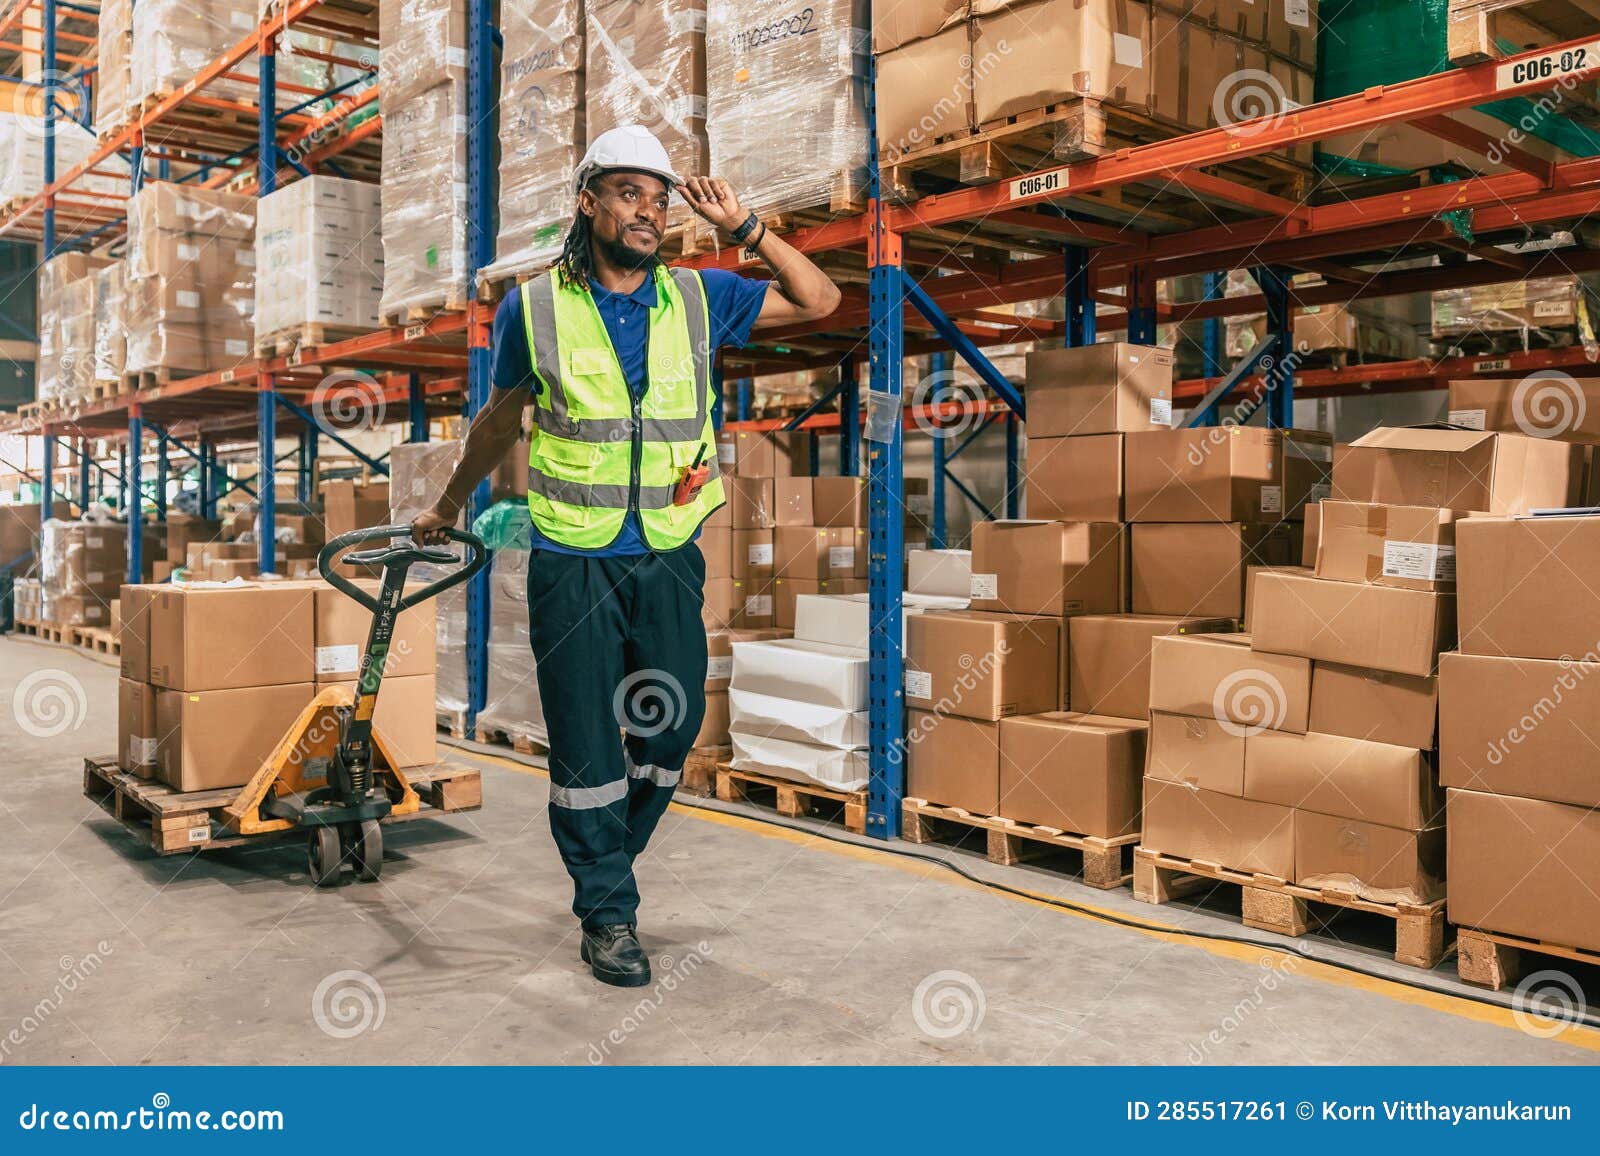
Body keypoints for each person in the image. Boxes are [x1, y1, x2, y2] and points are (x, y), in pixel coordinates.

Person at [411, 124, 841, 988]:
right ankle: (607, 911)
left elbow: (822, 299)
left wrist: (748, 227)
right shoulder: (532, 308)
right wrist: (448, 502)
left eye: (659, 197)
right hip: (573, 558)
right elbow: (499, 423)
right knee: (583, 745)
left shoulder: (698, 295)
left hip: (670, 551)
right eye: (629, 194)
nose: (648, 211)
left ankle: (614, 857)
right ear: (589, 201)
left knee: (672, 724)